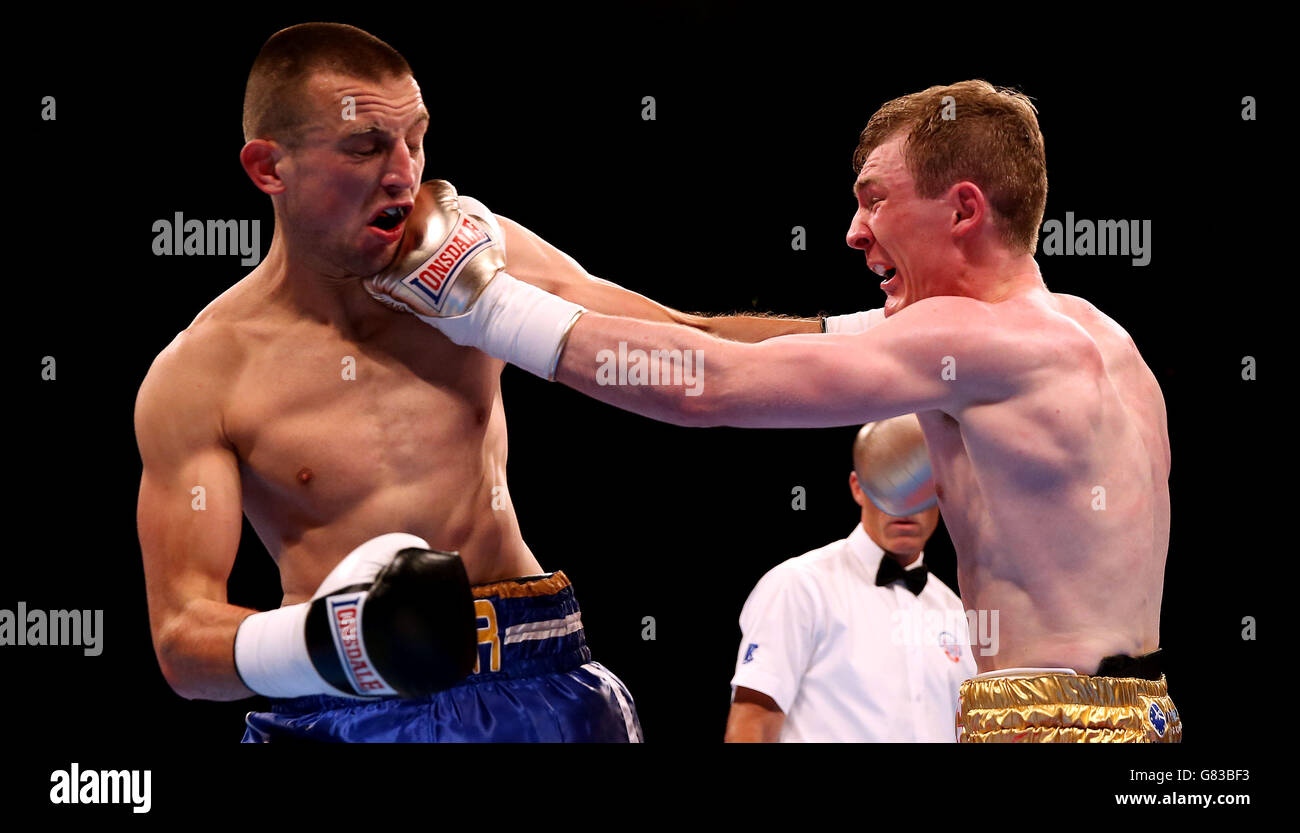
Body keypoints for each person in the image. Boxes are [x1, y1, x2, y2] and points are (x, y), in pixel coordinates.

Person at [370, 79, 1182, 742]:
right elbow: (712, 339)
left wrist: (479, 310)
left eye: (875, 199)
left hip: (1041, 723)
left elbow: (708, 386)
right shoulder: (1096, 336)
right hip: (1144, 715)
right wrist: (516, 260)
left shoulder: (970, 341)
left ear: (963, 209)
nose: (854, 231)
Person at [133, 22, 827, 743]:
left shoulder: (475, 255)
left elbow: (692, 339)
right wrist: (327, 642)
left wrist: (879, 332)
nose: (404, 172)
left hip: (535, 679)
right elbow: (184, 638)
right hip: (344, 711)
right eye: (367, 145)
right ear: (267, 168)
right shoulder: (203, 374)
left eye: (416, 139)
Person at [725, 415, 975, 742]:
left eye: (918, 487)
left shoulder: (957, 610)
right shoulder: (799, 586)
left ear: (943, 491)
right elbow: (751, 726)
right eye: (889, 481)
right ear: (859, 487)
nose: (903, 505)